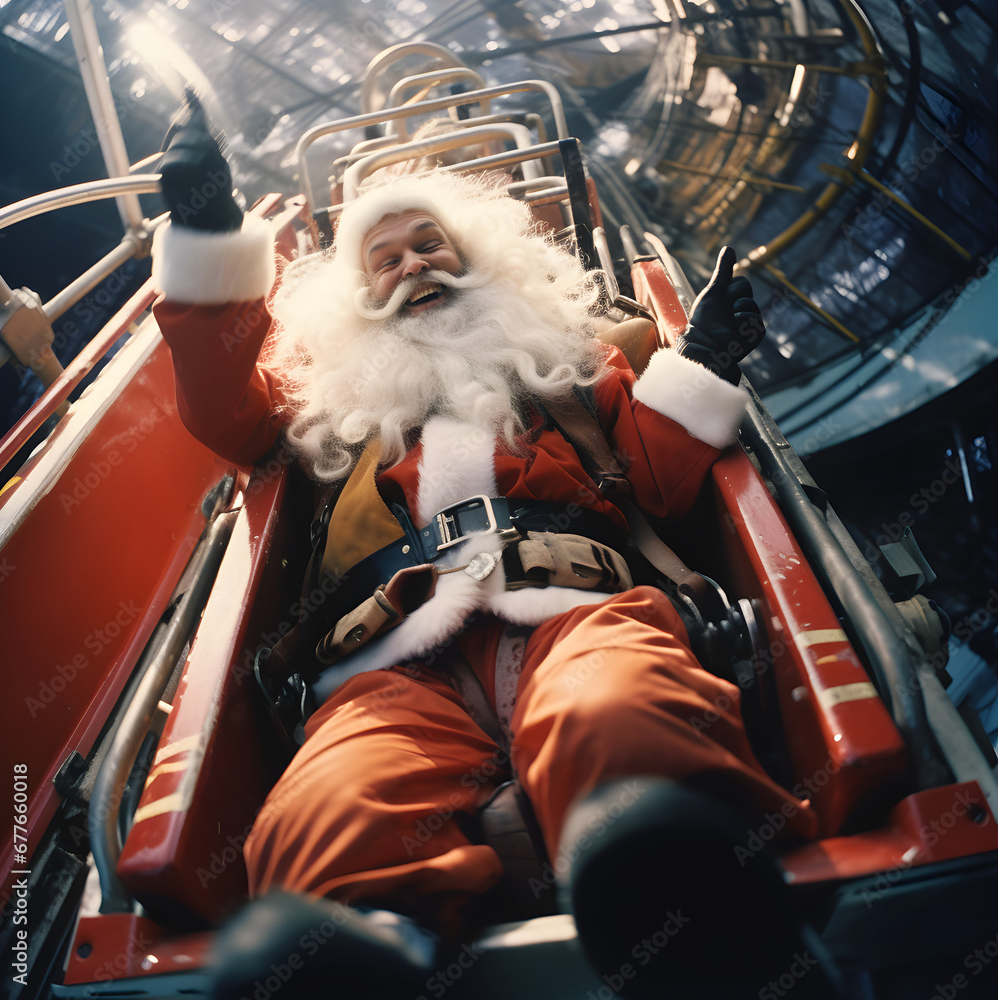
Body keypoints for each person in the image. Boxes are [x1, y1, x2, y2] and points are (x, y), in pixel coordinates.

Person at [151, 97, 830, 1000]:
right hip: (387, 663)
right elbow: (219, 399)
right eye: (383, 260)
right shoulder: (321, 414)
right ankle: (357, 948)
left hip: (575, 610)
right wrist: (206, 236)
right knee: (334, 800)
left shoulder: (577, 371)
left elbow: (659, 486)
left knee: (621, 711)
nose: (411, 268)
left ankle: (670, 891)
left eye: (429, 245)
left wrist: (701, 359)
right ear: (356, 300)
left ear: (479, 260)